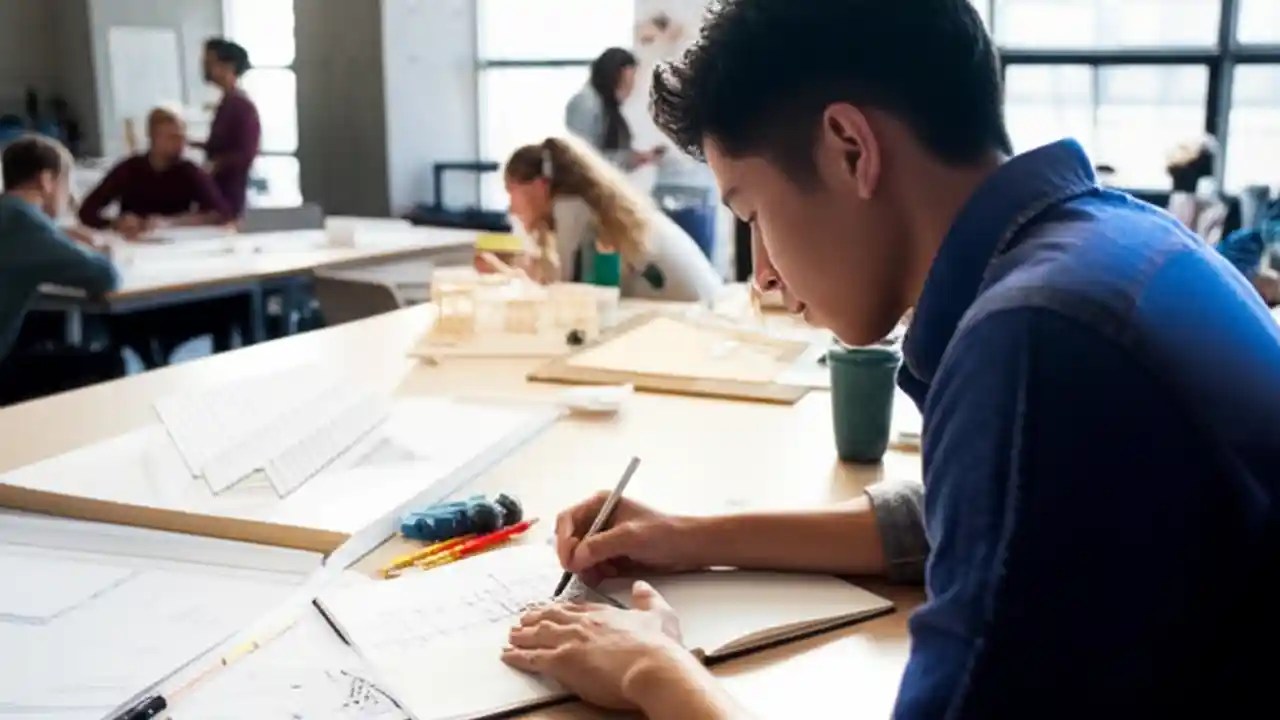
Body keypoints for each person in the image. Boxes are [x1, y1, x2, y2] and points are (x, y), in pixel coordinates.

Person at [500, 1, 1280, 718]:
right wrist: (687, 535)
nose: (764, 273)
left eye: (753, 214)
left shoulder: (1035, 339)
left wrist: (656, 674)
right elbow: (946, 518)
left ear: (849, 148)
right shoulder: (1108, 245)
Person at [504, 136, 721, 303]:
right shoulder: (593, 208)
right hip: (700, 307)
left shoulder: (571, 208)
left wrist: (512, 277)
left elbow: (567, 298)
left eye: (512, 191)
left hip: (688, 318)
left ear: (540, 186)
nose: (511, 207)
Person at [0, 135, 120, 403]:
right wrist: (102, 248)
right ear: (46, 180)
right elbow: (105, 277)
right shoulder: (26, 224)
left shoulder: (11, 215)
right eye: (68, 185)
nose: (69, 197)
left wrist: (57, 233)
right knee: (107, 362)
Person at [79, 107, 231, 238]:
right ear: (154, 138)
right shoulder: (129, 169)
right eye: (172, 138)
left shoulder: (189, 171)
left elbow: (220, 213)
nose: (180, 144)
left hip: (176, 243)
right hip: (133, 242)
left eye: (181, 138)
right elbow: (87, 211)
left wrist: (170, 223)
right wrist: (116, 223)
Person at [566, 48, 665, 171]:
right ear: (613, 78)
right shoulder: (586, 103)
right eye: (628, 82)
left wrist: (635, 158)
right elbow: (583, 157)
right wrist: (629, 159)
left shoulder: (605, 106)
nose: (631, 89)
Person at [197, 38, 260, 218]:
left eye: (210, 62)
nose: (205, 67)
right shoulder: (226, 103)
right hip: (218, 190)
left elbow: (247, 152)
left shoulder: (241, 106)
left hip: (230, 194)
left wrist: (216, 164)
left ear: (228, 66)